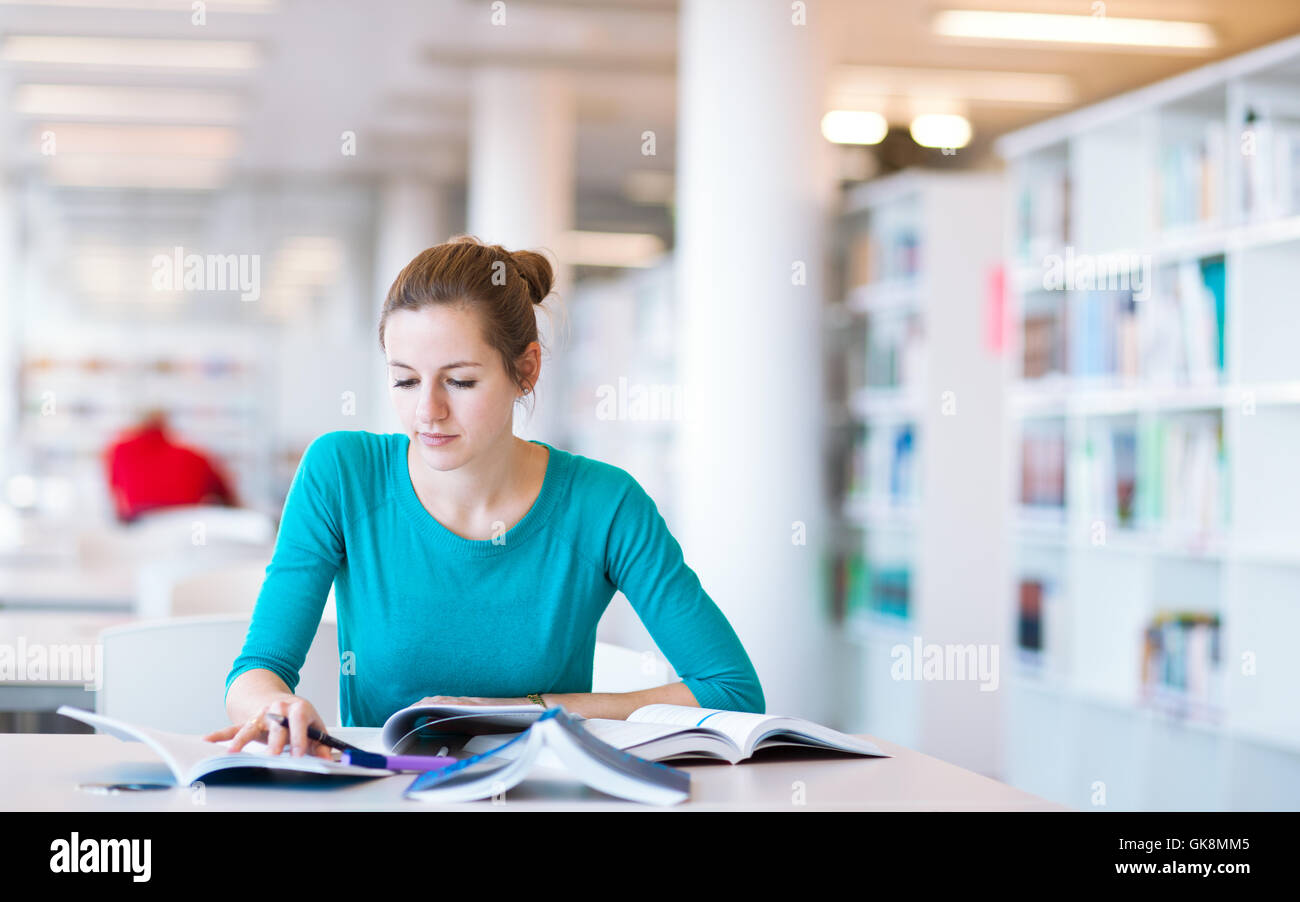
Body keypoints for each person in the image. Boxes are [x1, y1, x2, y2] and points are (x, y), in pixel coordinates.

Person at [206, 235, 764, 759]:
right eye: (405, 380)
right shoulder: (341, 473)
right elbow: (256, 670)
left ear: (526, 368)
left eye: (461, 381)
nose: (428, 411)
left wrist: (522, 711)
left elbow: (732, 691)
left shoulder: (605, 502)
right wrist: (273, 706)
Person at [104, 408, 238, 522]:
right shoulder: (194, 455)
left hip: (142, 526)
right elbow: (225, 493)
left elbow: (116, 492)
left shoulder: (118, 451)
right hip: (189, 524)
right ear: (166, 426)